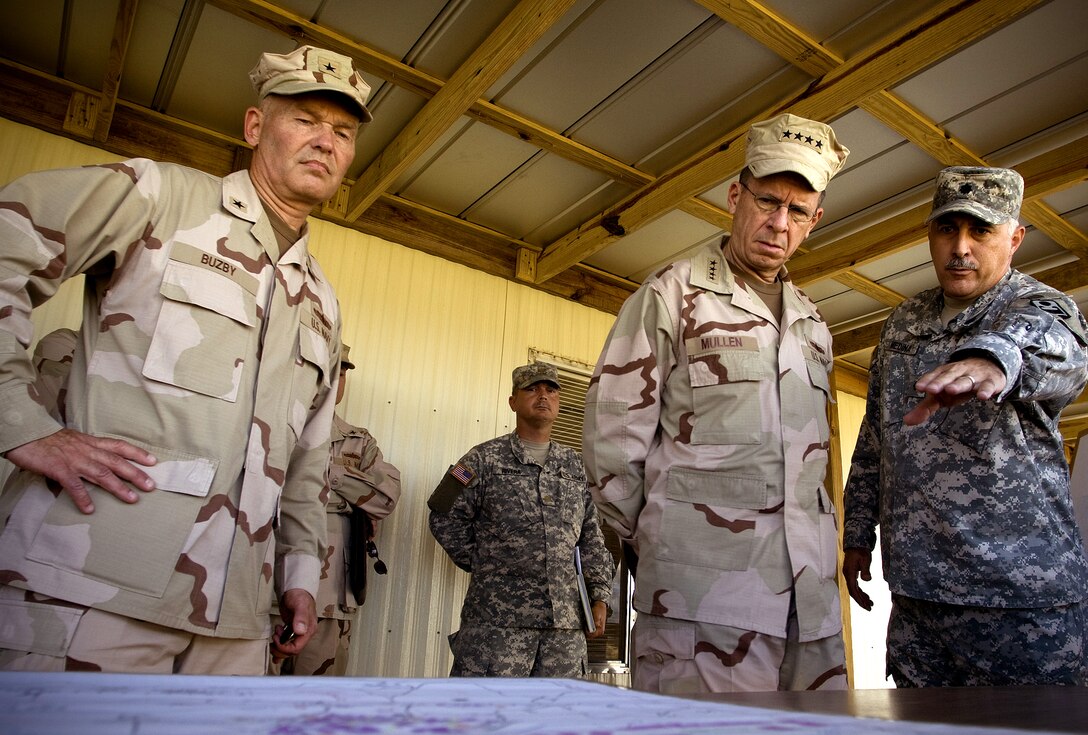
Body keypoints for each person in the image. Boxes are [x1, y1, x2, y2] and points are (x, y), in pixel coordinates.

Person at [0, 44, 373, 675]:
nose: (325, 141)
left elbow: (309, 463)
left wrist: (300, 576)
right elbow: (11, 238)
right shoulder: (161, 200)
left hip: (239, 625)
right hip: (95, 593)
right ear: (255, 127)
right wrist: (22, 423)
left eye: (342, 132)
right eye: (305, 120)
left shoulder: (322, 303)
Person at [583, 113, 851, 694]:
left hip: (810, 609)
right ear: (736, 195)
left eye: (798, 212)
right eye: (767, 201)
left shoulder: (813, 323)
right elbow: (612, 441)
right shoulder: (672, 294)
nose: (779, 223)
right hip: (700, 600)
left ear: (814, 221)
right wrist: (662, 542)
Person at [842, 166, 1088, 687]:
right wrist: (858, 534)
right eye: (946, 228)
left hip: (1018, 601)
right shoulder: (904, 322)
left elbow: (1059, 345)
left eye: (981, 231)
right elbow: (873, 439)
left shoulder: (1036, 307)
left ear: (1015, 238)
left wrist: (992, 358)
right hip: (917, 597)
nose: (960, 248)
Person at [428, 362, 615, 678]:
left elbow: (591, 535)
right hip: (498, 624)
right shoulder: (483, 458)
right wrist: (485, 560)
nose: (543, 395)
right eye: (532, 388)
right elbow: (444, 513)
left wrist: (599, 596)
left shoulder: (574, 467)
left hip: (564, 627)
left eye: (551, 390)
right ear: (513, 401)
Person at [275, 343, 401, 676]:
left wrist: (321, 475)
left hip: (329, 598)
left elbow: (385, 498)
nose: (336, 378)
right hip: (260, 590)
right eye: (329, 368)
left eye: (343, 371)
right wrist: (348, 497)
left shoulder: (359, 442)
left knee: (316, 708)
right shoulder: (270, 427)